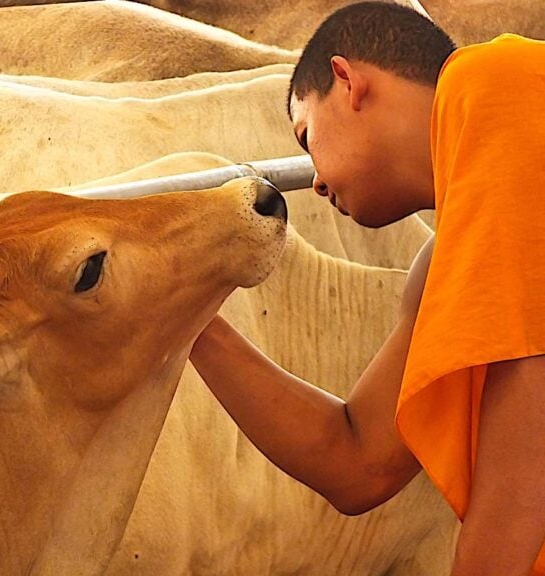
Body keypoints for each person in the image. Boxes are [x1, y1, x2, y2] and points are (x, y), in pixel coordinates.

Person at [189, 2, 545, 575]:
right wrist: (186, 317)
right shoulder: (443, 263)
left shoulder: (496, 81)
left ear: (348, 81)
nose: (316, 181)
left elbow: (531, 410)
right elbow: (358, 464)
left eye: (307, 137)